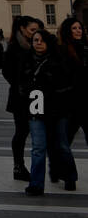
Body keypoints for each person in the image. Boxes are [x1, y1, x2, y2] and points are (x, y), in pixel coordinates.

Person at [22, 29, 77, 194]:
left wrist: (53, 91)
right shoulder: (27, 61)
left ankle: (70, 176)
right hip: (36, 108)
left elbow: (68, 85)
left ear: (48, 42)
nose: (38, 43)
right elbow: (20, 81)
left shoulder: (59, 61)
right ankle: (36, 184)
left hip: (57, 110)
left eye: (41, 40)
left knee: (62, 145)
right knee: (38, 147)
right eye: (35, 40)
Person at [4, 16, 42, 182]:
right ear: (22, 29)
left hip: (37, 97)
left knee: (39, 132)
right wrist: (21, 84)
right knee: (21, 132)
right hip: (20, 97)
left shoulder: (38, 45)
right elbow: (7, 72)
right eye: (32, 30)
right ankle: (18, 165)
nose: (35, 33)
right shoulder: (14, 48)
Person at [59, 17, 88, 148]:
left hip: (85, 101)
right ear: (67, 31)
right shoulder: (63, 50)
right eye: (74, 28)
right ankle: (59, 168)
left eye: (80, 28)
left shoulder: (86, 47)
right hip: (71, 102)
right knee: (65, 141)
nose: (78, 31)